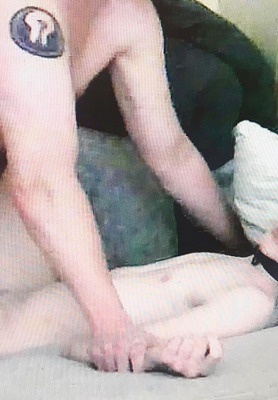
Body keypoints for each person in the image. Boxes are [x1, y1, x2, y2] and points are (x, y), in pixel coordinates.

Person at [0, 0, 250, 373]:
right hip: (30, 182)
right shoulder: (25, 14)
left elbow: (171, 154)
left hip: (17, 179)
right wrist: (115, 328)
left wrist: (243, 243)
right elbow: (40, 183)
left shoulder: (130, 14)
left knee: (43, 314)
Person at [1, 166, 278, 378]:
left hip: (20, 338)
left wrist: (161, 357)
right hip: (21, 303)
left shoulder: (254, 301)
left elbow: (109, 345)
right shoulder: (241, 264)